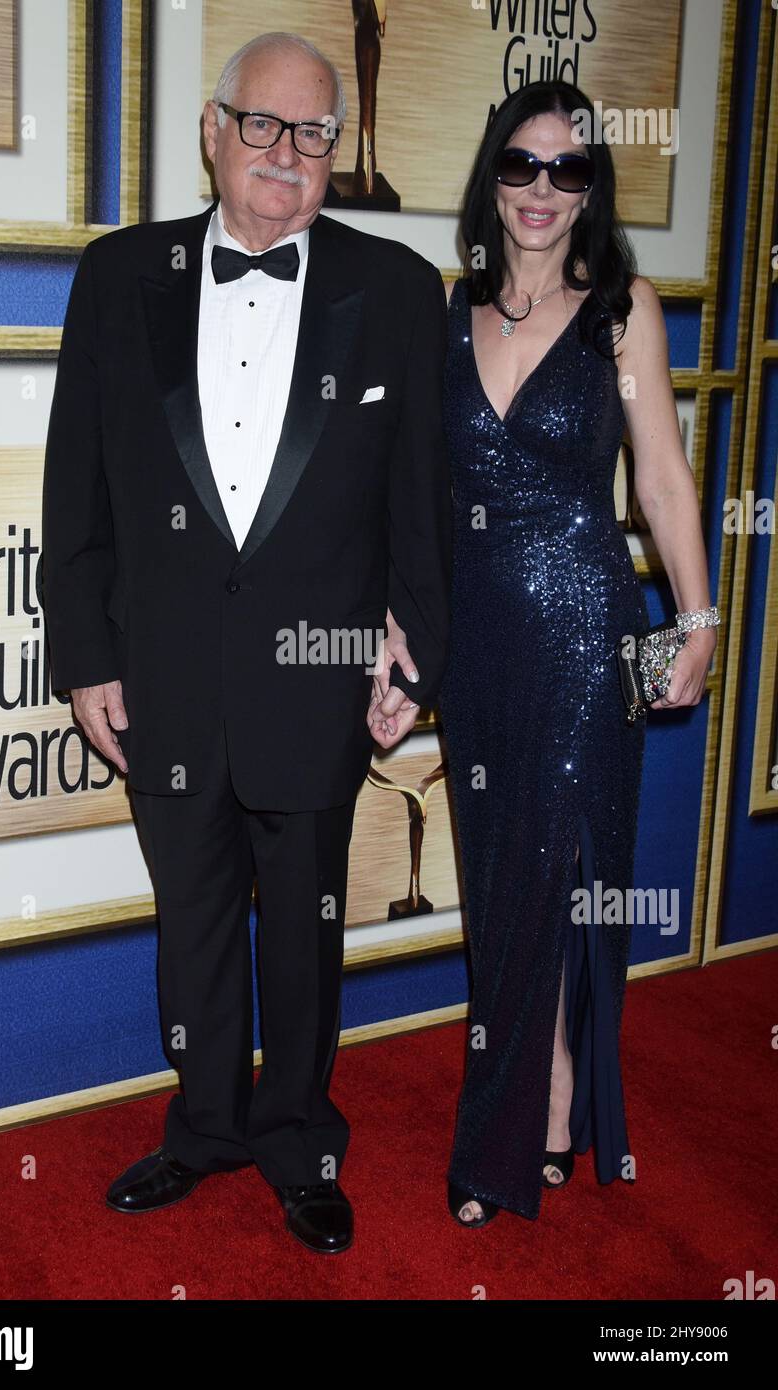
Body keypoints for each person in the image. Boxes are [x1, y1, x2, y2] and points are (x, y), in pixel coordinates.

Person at [41, 31, 451, 1255]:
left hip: (318, 675)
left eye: (314, 132)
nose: (287, 153)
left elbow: (416, 500)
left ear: (335, 152)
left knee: (305, 927)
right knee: (196, 915)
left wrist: (411, 652)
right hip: (161, 674)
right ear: (214, 132)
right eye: (263, 126)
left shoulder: (393, 291)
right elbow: (78, 493)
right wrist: (84, 653)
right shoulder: (119, 278)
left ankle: (297, 1140)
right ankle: (203, 1127)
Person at [438, 79, 719, 1227]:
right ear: (491, 177)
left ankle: (508, 1137)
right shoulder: (444, 311)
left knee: (558, 881)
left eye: (566, 169)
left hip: (582, 630)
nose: (541, 190)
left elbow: (657, 475)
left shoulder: (621, 309)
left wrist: (695, 619)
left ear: (591, 186)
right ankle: (546, 1096)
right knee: (498, 883)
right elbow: (415, 487)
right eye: (520, 164)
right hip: (475, 644)